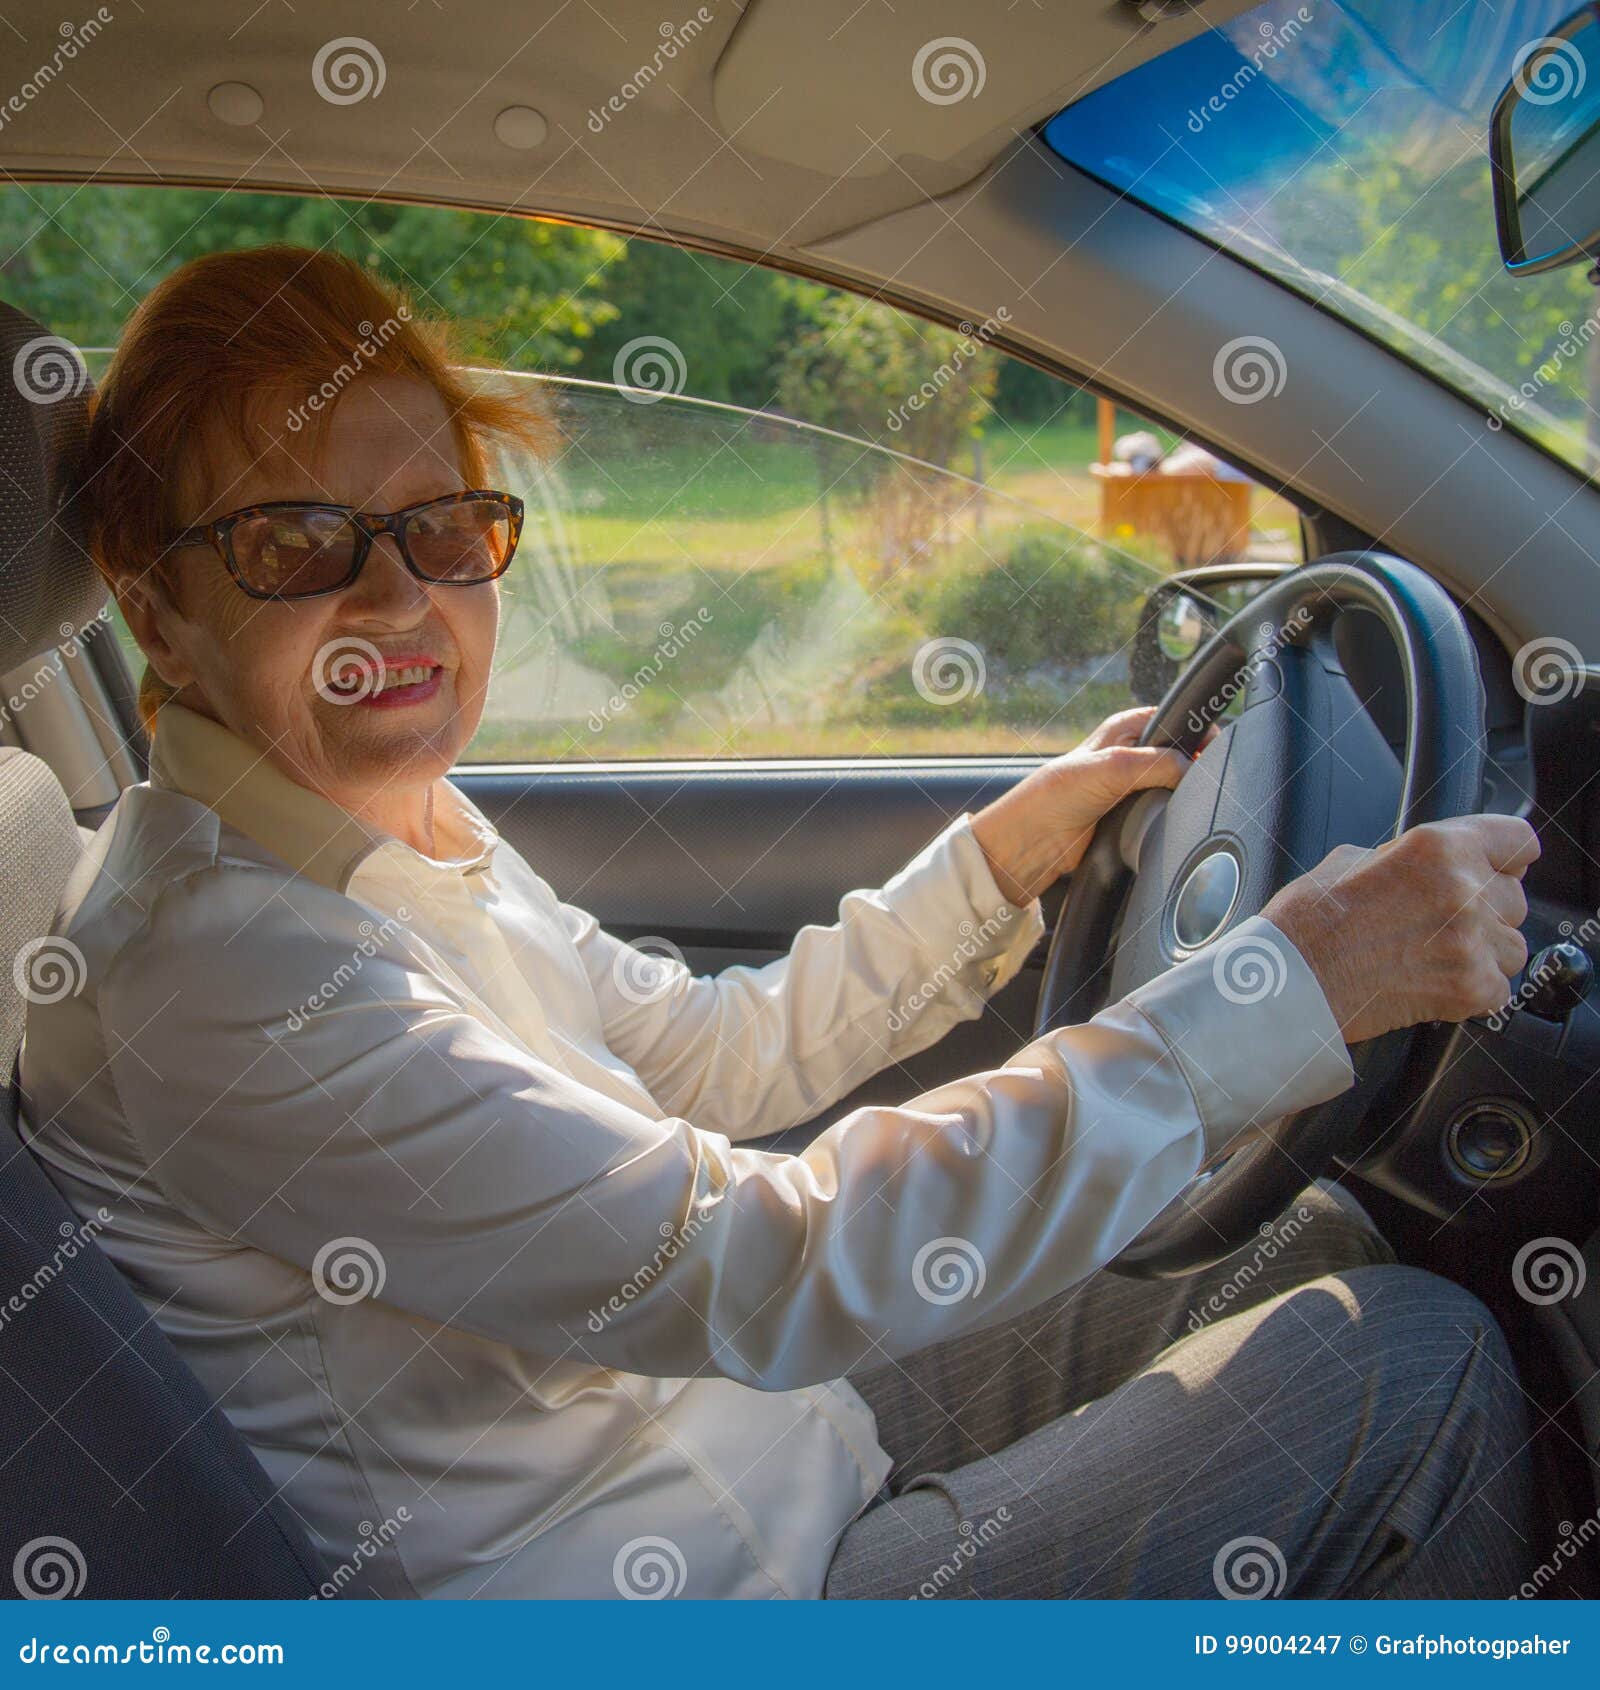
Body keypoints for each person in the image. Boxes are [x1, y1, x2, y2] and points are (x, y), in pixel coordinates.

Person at [20, 245, 1539, 1600]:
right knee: (1416, 1375)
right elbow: (753, 1261)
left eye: (445, 527)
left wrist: (998, 864)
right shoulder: (212, 969)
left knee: (1301, 1234)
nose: (402, 599)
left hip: (760, 1439)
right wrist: (1287, 987)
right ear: (159, 613)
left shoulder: (384, 817)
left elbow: (696, 1052)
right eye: (299, 543)